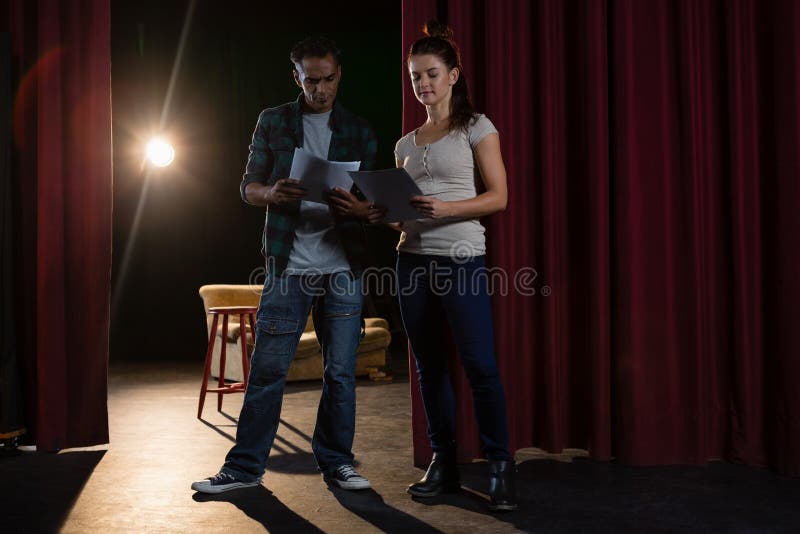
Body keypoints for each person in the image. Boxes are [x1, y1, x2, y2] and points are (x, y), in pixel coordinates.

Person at [192, 35, 384, 494]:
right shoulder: (273, 121)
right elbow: (248, 187)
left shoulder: (359, 129)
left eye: (329, 79)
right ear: (295, 77)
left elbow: (375, 205)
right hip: (289, 265)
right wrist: (272, 194)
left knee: (341, 371)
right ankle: (243, 469)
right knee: (268, 371)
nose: (320, 89)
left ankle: (338, 462)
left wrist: (362, 210)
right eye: (311, 80)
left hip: (343, 265)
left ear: (340, 75)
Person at [393, 21, 517, 512]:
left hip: (461, 258)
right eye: (415, 76)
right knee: (428, 368)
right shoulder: (405, 144)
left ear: (453, 75)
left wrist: (447, 209)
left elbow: (500, 197)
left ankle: (500, 467)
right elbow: (404, 213)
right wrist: (378, 213)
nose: (422, 84)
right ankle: (443, 463)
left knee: (480, 366)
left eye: (430, 73)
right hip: (410, 262)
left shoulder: (476, 127)